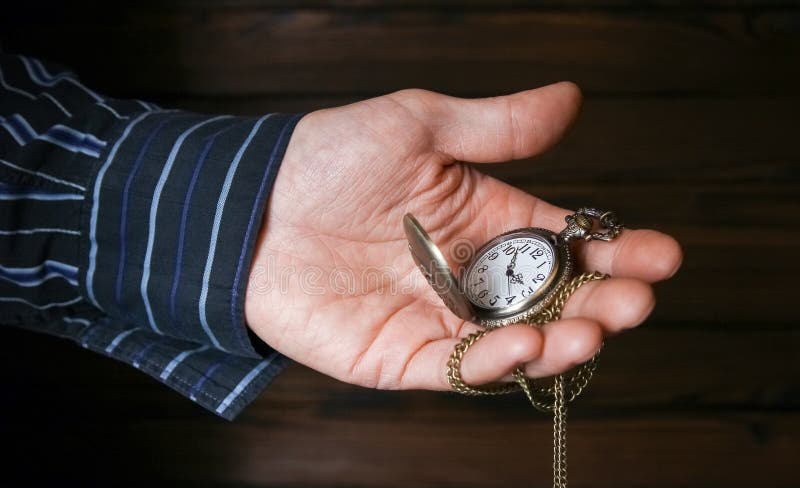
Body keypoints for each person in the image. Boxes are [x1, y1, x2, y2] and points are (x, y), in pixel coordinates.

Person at [0, 53, 682, 419]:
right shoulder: (504, 272)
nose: (514, 271)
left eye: (521, 272)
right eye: (519, 271)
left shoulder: (524, 262)